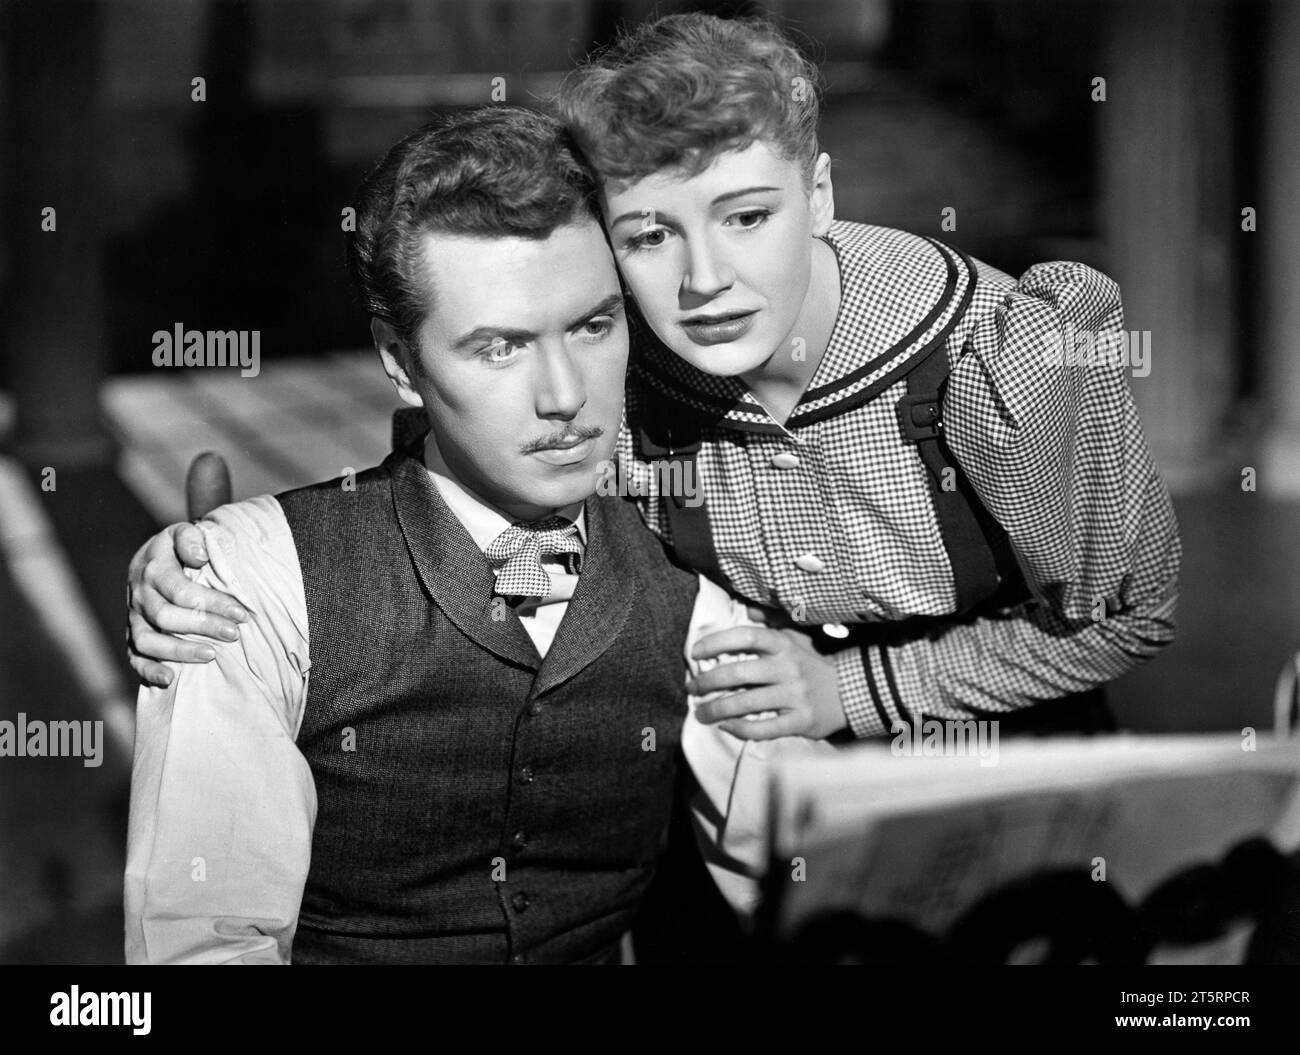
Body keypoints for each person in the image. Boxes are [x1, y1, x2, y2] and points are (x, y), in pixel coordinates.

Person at [124, 105, 823, 964]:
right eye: (500, 347)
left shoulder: (691, 571)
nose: (564, 393)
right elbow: (206, 943)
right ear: (398, 360)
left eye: (593, 326)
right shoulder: (247, 586)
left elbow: (817, 876)